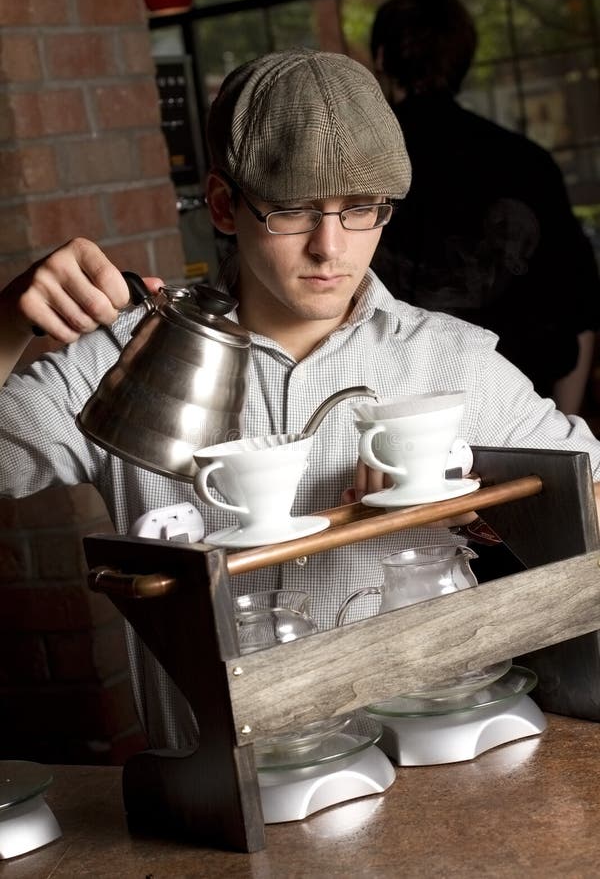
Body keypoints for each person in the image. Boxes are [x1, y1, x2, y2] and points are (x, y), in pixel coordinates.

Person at [1, 48, 600, 749]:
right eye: (293, 211)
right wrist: (7, 321)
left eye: (361, 210)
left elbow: (592, 498)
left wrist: (487, 511)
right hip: (223, 785)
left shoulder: (451, 358)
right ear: (223, 205)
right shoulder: (130, 357)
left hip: (437, 759)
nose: (330, 247)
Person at [370, 0, 600, 414]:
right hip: (522, 409)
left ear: (381, 57)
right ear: (462, 60)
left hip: (397, 416)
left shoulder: (365, 167)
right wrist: (563, 428)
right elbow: (580, 308)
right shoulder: (529, 163)